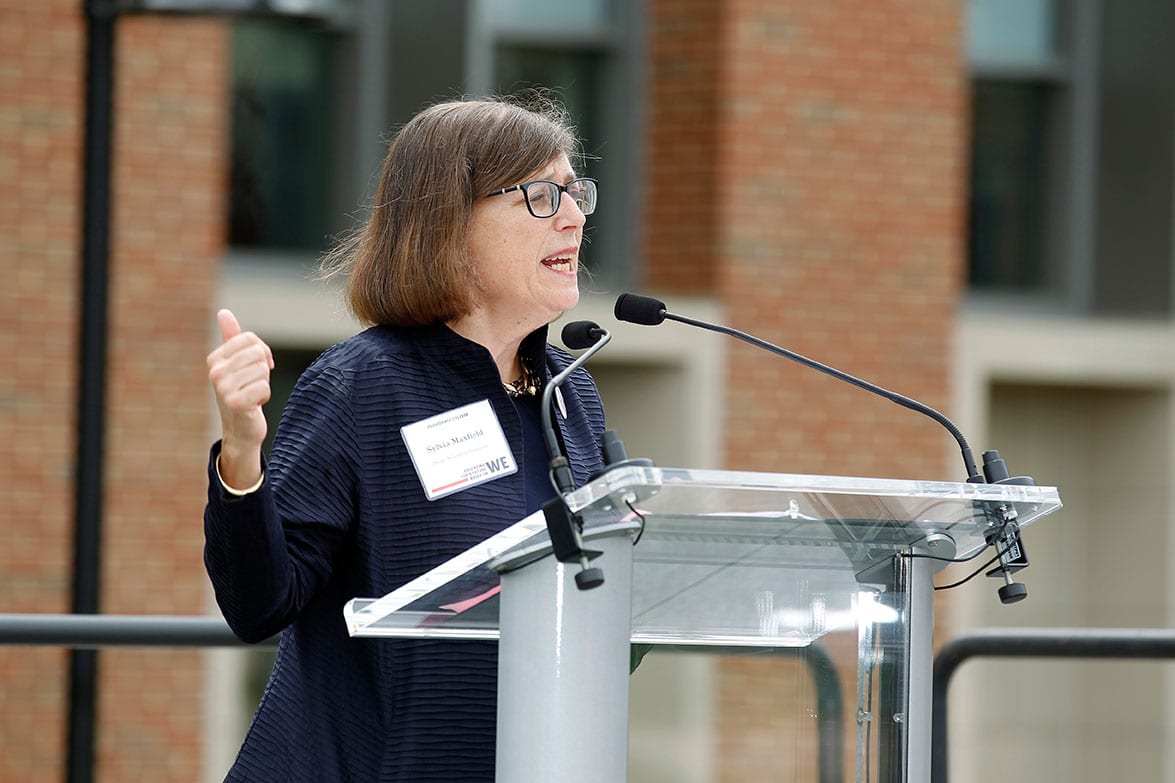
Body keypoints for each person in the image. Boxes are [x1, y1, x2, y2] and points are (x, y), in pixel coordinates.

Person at [203, 96, 606, 782]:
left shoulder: (570, 392)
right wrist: (242, 452)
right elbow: (260, 604)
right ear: (450, 221)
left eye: (575, 192)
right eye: (542, 196)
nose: (572, 216)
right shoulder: (362, 384)